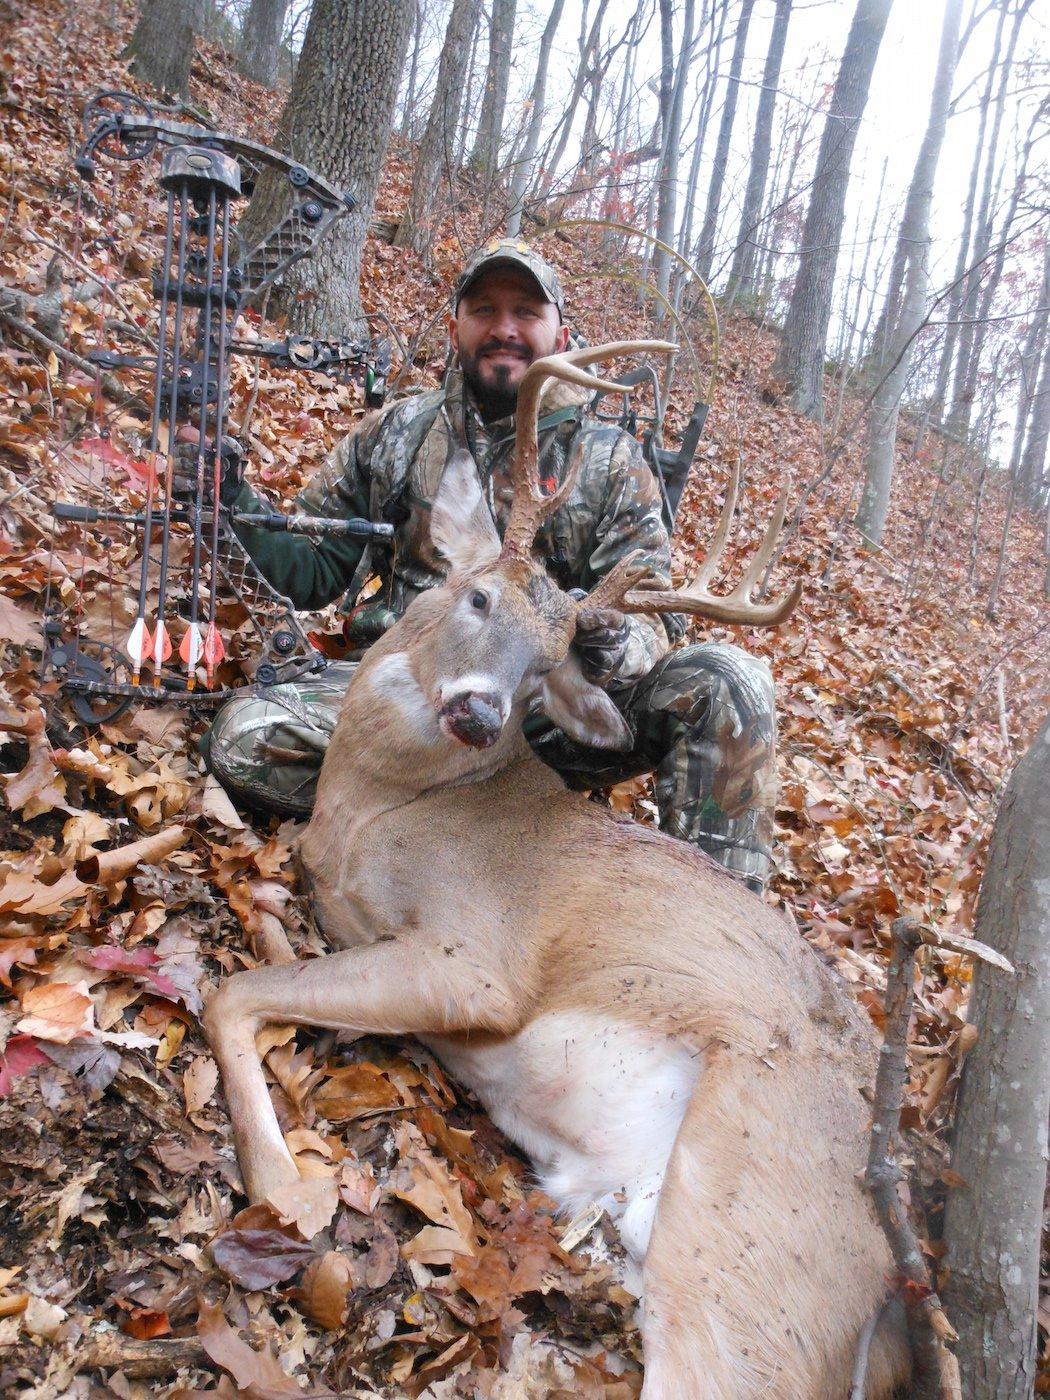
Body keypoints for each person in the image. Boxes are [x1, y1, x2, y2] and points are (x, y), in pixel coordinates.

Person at [204, 239, 778, 889]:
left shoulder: (614, 462)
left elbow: (660, 620)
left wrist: (614, 644)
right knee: (246, 737)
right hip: (413, 697)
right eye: (484, 309)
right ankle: (488, 836)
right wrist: (232, 499)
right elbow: (308, 569)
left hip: (543, 716)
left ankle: (718, 922)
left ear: (559, 331)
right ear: (455, 328)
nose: (504, 327)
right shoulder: (396, 433)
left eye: (526, 311)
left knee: (728, 682)